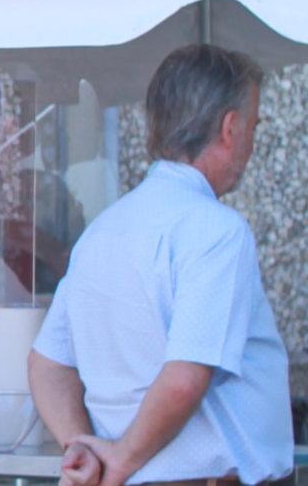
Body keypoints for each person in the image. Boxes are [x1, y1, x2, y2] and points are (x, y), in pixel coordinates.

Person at [28, 44, 291, 486]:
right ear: (230, 128)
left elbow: (46, 363)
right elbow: (186, 377)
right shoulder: (218, 230)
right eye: (253, 126)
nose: (252, 139)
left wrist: (83, 450)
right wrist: (120, 460)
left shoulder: (101, 231)